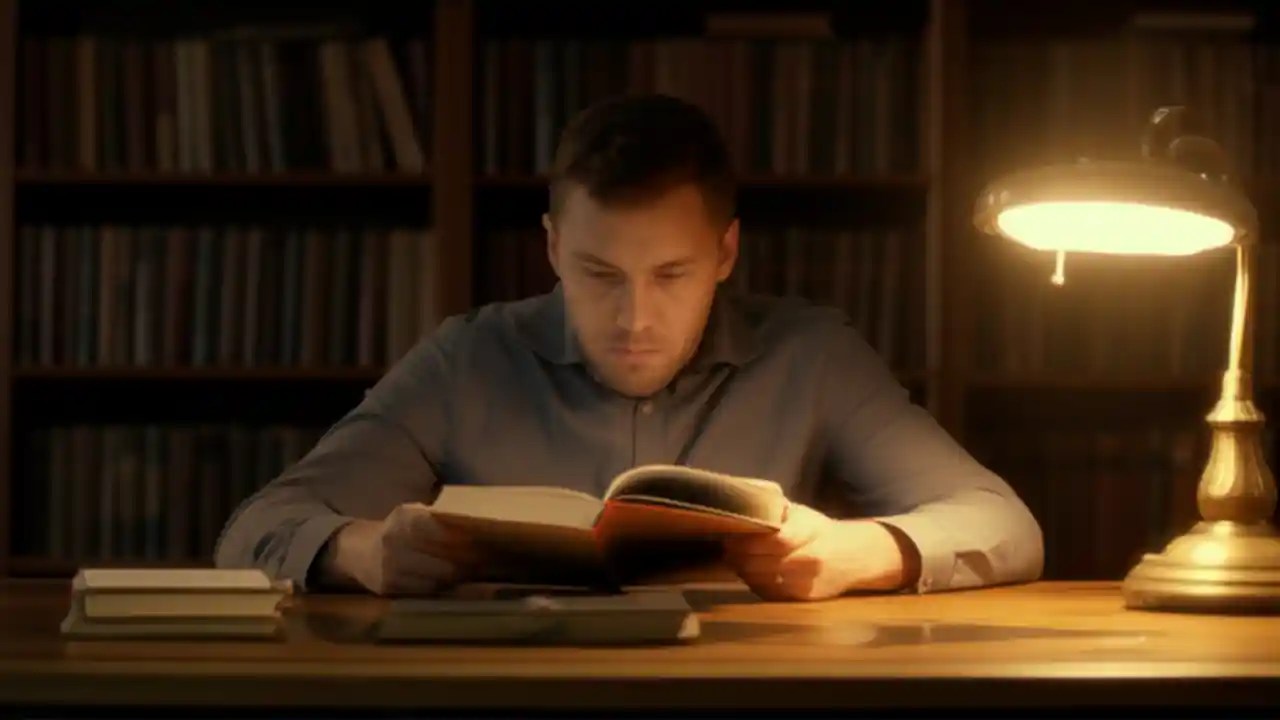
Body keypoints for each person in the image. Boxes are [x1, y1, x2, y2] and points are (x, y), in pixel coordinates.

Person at [214, 93, 1043, 601]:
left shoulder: (810, 355)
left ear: (726, 253)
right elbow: (257, 528)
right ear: (550, 249)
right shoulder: (468, 360)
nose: (634, 317)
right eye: (599, 273)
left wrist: (863, 553)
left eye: (673, 273)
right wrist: (361, 552)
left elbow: (1005, 524)